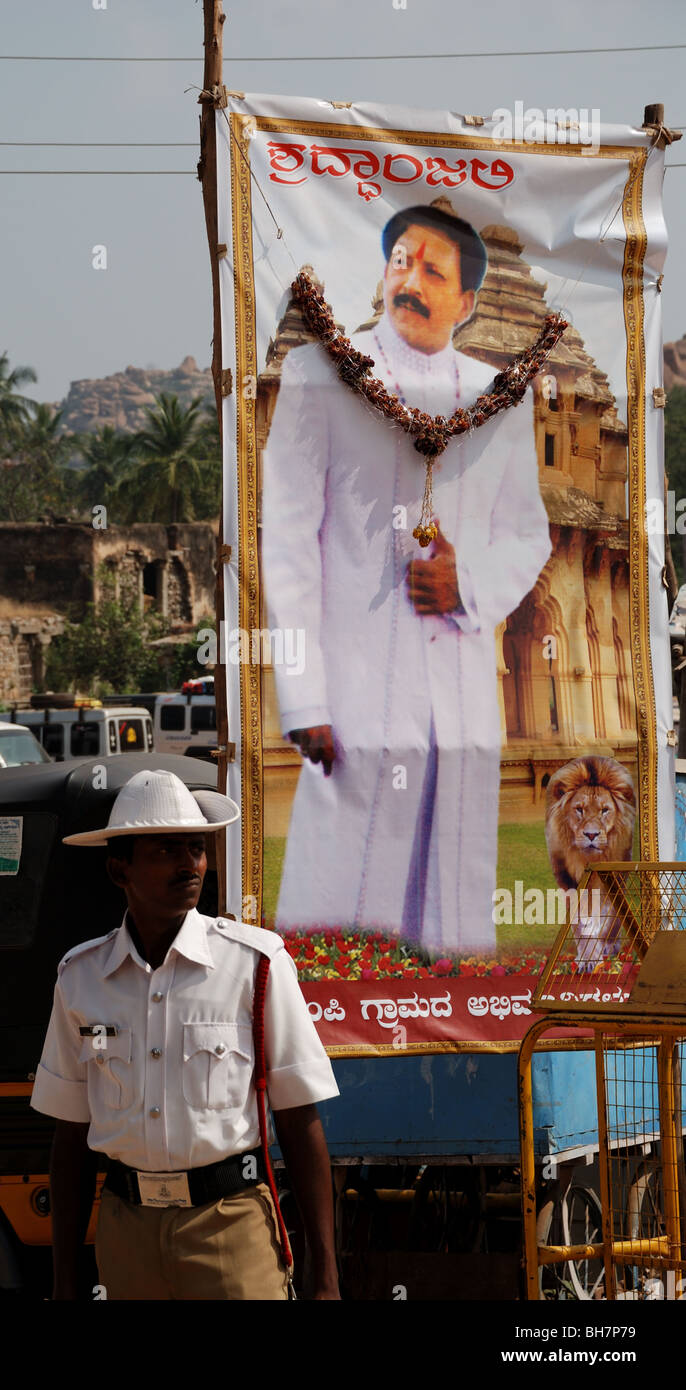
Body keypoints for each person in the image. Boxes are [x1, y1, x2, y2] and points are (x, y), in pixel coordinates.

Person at [262, 201, 552, 953]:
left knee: (451, 922)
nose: (410, 281)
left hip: (457, 700)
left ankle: (457, 1060)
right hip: (353, 701)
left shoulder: (499, 396)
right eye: (400, 262)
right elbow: (288, 538)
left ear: (467, 301)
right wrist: (305, 694)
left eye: (432, 270)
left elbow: (527, 536)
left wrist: (468, 583)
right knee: (345, 923)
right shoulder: (321, 372)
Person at [31, 768, 340, 1300]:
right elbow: (70, 1139)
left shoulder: (255, 966)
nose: (189, 865)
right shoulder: (81, 980)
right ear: (118, 870)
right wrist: (64, 1283)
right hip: (127, 1233)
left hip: (232, 1226)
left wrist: (326, 1277)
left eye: (196, 848)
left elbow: (299, 1118)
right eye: (166, 851)